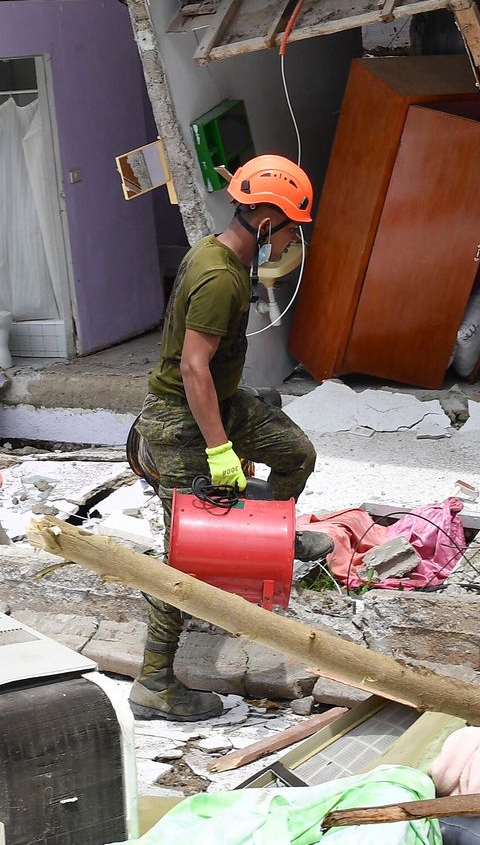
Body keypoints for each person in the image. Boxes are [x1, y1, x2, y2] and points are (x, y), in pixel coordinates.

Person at [130, 154, 330, 722]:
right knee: (185, 556)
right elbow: (194, 367)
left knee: (296, 454)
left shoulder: (228, 252)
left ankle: (269, 533)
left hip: (217, 400)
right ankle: (154, 683)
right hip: (180, 420)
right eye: (293, 227)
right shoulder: (219, 276)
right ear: (267, 222)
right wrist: (219, 450)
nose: (295, 239)